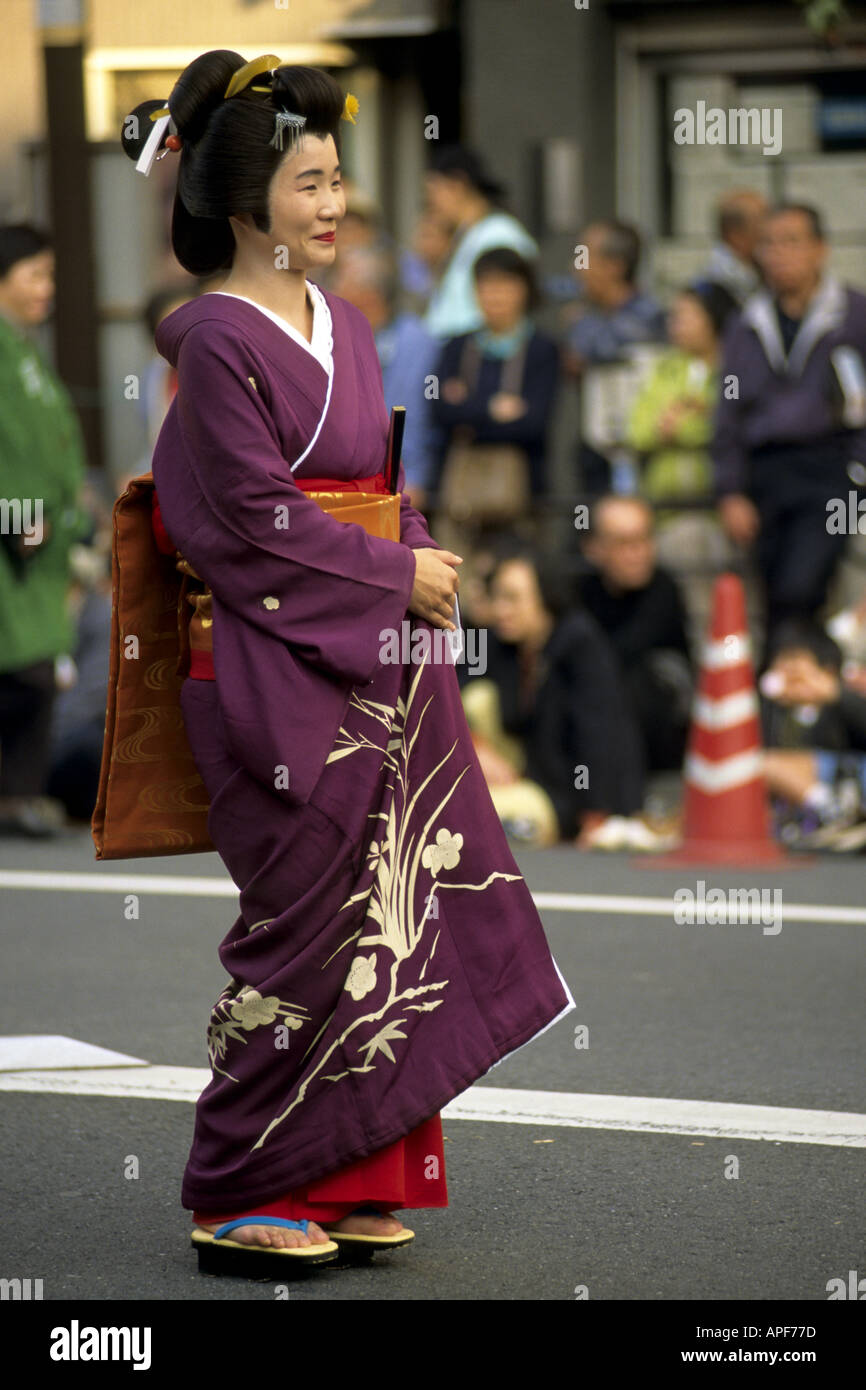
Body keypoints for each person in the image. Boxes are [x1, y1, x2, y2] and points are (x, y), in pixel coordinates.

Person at [120, 51, 574, 1274]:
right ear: (244, 204)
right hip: (264, 667)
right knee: (298, 925)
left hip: (364, 654)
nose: (331, 205)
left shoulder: (350, 326)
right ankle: (234, 1179)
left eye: (336, 180)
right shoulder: (214, 339)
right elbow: (241, 518)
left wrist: (417, 552)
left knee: (391, 922)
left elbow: (379, 482)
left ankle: (342, 1172)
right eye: (310, 182)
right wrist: (388, 573)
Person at [712, 203, 866, 656]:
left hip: (832, 467)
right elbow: (728, 409)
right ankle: (785, 694)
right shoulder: (746, 323)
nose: (778, 254)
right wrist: (730, 488)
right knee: (774, 590)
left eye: (792, 241)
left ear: (821, 249)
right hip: (767, 470)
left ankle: (804, 683)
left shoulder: (854, 315)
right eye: (769, 244)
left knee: (803, 584)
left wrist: (859, 471)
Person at [460, 540, 661, 851]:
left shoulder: (578, 643)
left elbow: (600, 731)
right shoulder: (502, 645)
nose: (501, 609)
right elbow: (450, 691)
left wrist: (598, 812)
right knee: (478, 697)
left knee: (466, 815)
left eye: (512, 598)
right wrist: (476, 744)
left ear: (545, 596)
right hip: (519, 774)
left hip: (560, 795)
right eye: (497, 597)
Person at [0, 223, 89, 837]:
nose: (47, 289)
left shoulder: (22, 347)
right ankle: (16, 793)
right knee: (23, 666)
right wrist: (20, 516)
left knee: (34, 664)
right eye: (36, 274)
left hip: (39, 531)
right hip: (17, 530)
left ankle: (19, 793)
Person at [626, 281, 738, 635]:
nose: (676, 324)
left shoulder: (735, 366)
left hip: (720, 513)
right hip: (668, 512)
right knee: (687, 613)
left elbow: (726, 426)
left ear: (713, 319)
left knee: (729, 611)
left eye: (686, 316)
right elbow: (639, 430)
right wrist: (684, 421)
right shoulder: (666, 368)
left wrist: (681, 424)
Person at [579, 495, 693, 774]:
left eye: (644, 540)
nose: (637, 553)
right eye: (623, 544)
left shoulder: (664, 589)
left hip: (659, 726)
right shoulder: (584, 592)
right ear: (594, 549)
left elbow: (620, 654)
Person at [329, 245, 441, 511]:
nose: (330, 289)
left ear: (368, 296)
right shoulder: (333, 337)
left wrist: (415, 477)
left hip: (403, 488)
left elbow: (421, 418)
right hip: (345, 486)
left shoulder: (416, 342)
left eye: (340, 279)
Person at [563, 220, 667, 495]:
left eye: (584, 257)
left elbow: (601, 349)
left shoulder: (649, 316)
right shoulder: (589, 316)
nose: (577, 269)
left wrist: (582, 330)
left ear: (616, 265)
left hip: (644, 449)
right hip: (596, 447)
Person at [760, 621, 866, 849]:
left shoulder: (843, 701)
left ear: (826, 671)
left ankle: (834, 813)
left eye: (794, 662)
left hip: (851, 776)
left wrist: (835, 694)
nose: (785, 671)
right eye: (780, 662)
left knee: (767, 765)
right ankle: (829, 812)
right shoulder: (774, 711)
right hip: (816, 784)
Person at [423, 145, 538, 340]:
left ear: (457, 185)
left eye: (434, 191)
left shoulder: (500, 234)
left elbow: (500, 312)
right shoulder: (470, 234)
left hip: (478, 357)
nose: (431, 202)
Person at [700, 189, 768, 306]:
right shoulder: (718, 283)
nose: (768, 236)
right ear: (735, 235)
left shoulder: (756, 269)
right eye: (760, 229)